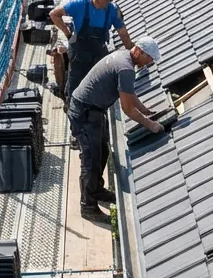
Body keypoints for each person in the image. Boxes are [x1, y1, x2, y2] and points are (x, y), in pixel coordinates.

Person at [67, 38, 169, 220]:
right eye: (150, 59)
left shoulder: (124, 57)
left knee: (103, 150)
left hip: (94, 111)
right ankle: (88, 206)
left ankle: (97, 189)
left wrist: (145, 110)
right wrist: (151, 125)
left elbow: (128, 94)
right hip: (84, 113)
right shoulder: (125, 68)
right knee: (90, 160)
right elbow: (127, 108)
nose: (150, 64)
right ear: (139, 51)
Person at [49, 0, 133, 102]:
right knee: (76, 79)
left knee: (99, 80)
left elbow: (122, 32)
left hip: (99, 50)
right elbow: (54, 14)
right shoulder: (80, 4)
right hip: (79, 50)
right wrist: (68, 34)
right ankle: (71, 104)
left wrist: (131, 52)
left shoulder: (112, 10)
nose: (110, 2)